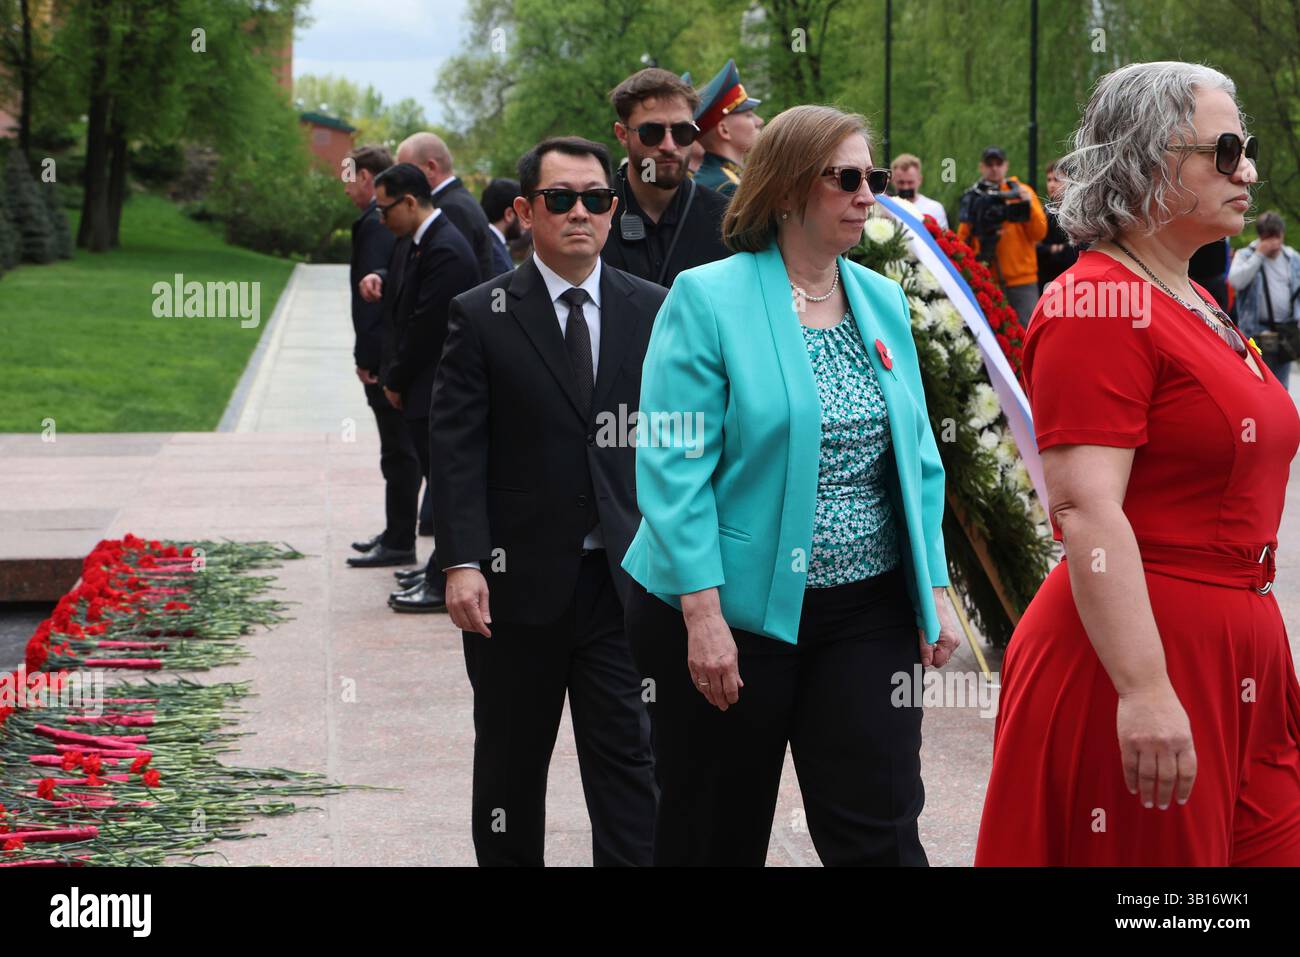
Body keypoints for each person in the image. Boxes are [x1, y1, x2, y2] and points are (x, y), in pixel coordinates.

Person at [976, 61, 1300, 866]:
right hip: (1139, 650)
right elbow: (1085, 507)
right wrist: (1145, 687)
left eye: (1248, 148)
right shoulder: (1097, 303)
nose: (1249, 170)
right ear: (1151, 160)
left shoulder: (1191, 295)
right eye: (1226, 150)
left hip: (1234, 647)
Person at [621, 105, 960, 866]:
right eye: (846, 178)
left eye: (872, 177)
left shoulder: (883, 299)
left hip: (866, 612)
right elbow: (674, 465)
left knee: (880, 830)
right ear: (783, 191)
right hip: (732, 613)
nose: (867, 195)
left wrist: (931, 586)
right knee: (714, 834)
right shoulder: (709, 297)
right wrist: (701, 611)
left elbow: (915, 455)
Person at [430, 136, 663, 866]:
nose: (580, 213)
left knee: (630, 766)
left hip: (622, 586)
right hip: (513, 584)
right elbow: (457, 448)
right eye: (560, 199)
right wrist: (462, 558)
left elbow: (677, 445)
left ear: (613, 208)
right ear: (527, 210)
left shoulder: (652, 309)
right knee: (509, 767)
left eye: (596, 199)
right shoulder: (481, 312)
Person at [356, 163, 480, 601]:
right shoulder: (420, 241)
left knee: (444, 486)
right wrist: (385, 279)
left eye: (385, 208)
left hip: (433, 386)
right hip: (422, 386)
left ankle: (442, 577)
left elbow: (426, 326)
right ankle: (435, 568)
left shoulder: (445, 246)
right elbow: (411, 294)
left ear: (410, 202)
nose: (381, 218)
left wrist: (395, 378)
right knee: (436, 478)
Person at [341, 144, 415, 565]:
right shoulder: (380, 222)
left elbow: (374, 300)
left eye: (349, 178)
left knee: (397, 451)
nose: (346, 188)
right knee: (397, 450)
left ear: (367, 177)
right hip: (388, 354)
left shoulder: (375, 224)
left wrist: (368, 358)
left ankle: (399, 540)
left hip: (384, 357)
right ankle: (395, 531)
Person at [602, 67, 730, 287]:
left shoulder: (727, 221)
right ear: (622, 135)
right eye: (651, 132)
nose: (669, 146)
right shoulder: (593, 215)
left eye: (683, 132)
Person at [957, 146, 1048, 327]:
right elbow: (962, 241)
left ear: (1006, 166)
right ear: (981, 167)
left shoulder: (1022, 192)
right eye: (989, 164)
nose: (994, 168)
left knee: (1025, 334)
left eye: (998, 163)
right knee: (992, 336)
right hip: (987, 281)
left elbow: (1040, 233)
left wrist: (1026, 205)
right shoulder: (976, 197)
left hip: (1022, 281)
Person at [1229, 211, 1300, 386]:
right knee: (1257, 383)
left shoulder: (1292, 258)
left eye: (1277, 237)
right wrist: (1259, 256)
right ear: (1261, 237)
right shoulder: (1247, 255)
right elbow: (1236, 281)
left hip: (1286, 330)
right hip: (1256, 330)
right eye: (1269, 238)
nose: (1275, 243)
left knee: (1281, 386)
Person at [692, 58, 763, 198]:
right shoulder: (726, 187)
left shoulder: (723, 178)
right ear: (724, 130)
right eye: (749, 115)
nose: (759, 121)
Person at [1035, 158, 1077, 289]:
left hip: (1069, 280)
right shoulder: (1043, 212)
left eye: (1056, 180)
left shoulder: (1076, 214)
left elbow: (1073, 252)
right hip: (1045, 282)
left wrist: (1050, 250)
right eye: (1049, 180)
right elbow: (1034, 249)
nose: (1051, 185)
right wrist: (1053, 249)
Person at [888, 153, 948, 229]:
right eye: (901, 182)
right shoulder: (885, 207)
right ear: (892, 180)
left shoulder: (935, 209)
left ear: (920, 180)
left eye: (910, 182)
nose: (905, 187)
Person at [480, 178, 521, 273]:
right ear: (509, 214)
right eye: (522, 212)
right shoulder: (494, 254)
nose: (525, 221)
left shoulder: (486, 243)